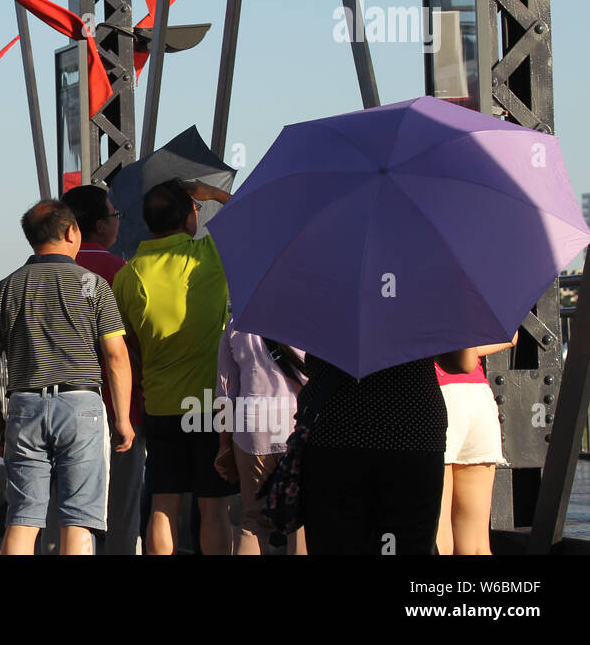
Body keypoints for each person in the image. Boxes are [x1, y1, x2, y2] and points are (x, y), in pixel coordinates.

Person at [0, 200, 134, 555]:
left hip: (25, 406)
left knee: (22, 518)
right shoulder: (93, 285)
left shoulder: (6, 288)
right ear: (71, 232)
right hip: (82, 408)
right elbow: (116, 355)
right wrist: (122, 419)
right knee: (78, 519)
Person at [111, 178, 235, 555]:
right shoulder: (208, 256)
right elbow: (255, 219)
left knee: (164, 504)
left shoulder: (128, 275)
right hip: (209, 406)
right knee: (214, 508)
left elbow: (126, 344)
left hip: (161, 404)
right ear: (188, 217)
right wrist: (213, 194)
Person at [298, 339, 507, 556]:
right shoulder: (424, 302)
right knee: (411, 543)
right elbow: (461, 363)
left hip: (335, 429)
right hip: (411, 428)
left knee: (338, 543)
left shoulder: (327, 303)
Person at [63, 184, 145, 555]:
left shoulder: (50, 271)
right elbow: (127, 346)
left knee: (64, 508)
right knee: (121, 508)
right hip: (117, 406)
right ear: (99, 226)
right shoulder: (120, 272)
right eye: (115, 216)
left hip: (60, 407)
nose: (117, 222)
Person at [213, 322, 306, 555]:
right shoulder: (309, 316)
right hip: (297, 425)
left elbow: (225, 395)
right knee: (302, 518)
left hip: (252, 429)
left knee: (253, 520)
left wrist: (224, 445)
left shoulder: (237, 324)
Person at [435, 332, 518, 555]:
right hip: (478, 397)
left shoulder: (409, 297)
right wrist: (468, 349)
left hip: (435, 397)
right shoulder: (466, 296)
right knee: (477, 546)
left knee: (438, 538)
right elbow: (511, 334)